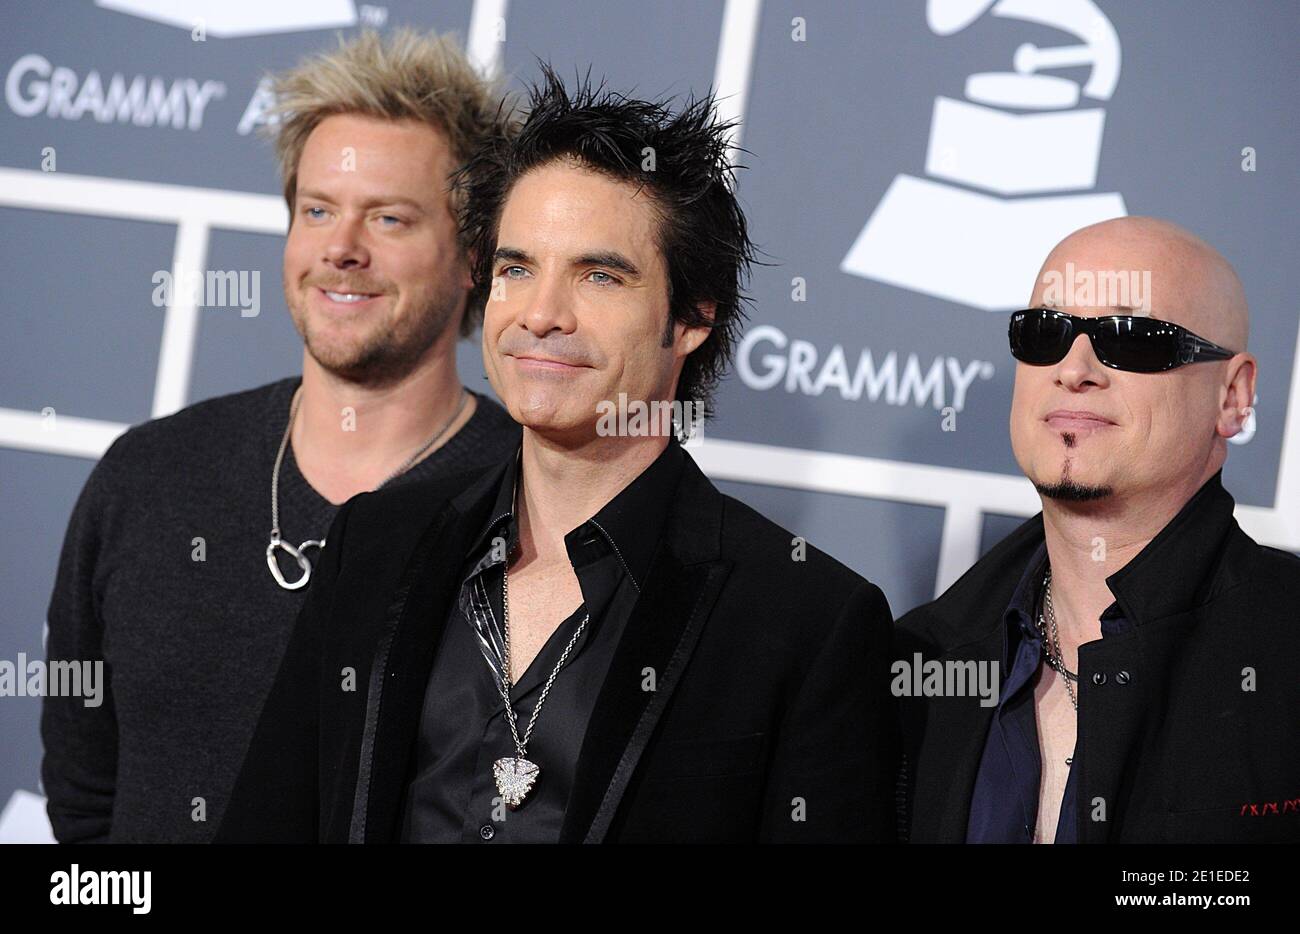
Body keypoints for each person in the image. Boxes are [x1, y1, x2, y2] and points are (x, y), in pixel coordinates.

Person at [216, 67, 899, 844]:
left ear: (692, 318)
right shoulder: (374, 547)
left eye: (599, 276)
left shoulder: (803, 620)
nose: (541, 315)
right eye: (517, 269)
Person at [40, 30, 521, 843]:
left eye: (391, 218)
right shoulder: (150, 474)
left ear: (474, 256)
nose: (341, 248)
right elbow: (87, 802)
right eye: (318, 210)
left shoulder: (532, 502)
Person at [896, 216, 1299, 843]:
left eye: (1133, 337)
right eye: (1045, 332)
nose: (1074, 367)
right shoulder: (916, 662)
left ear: (1232, 396)